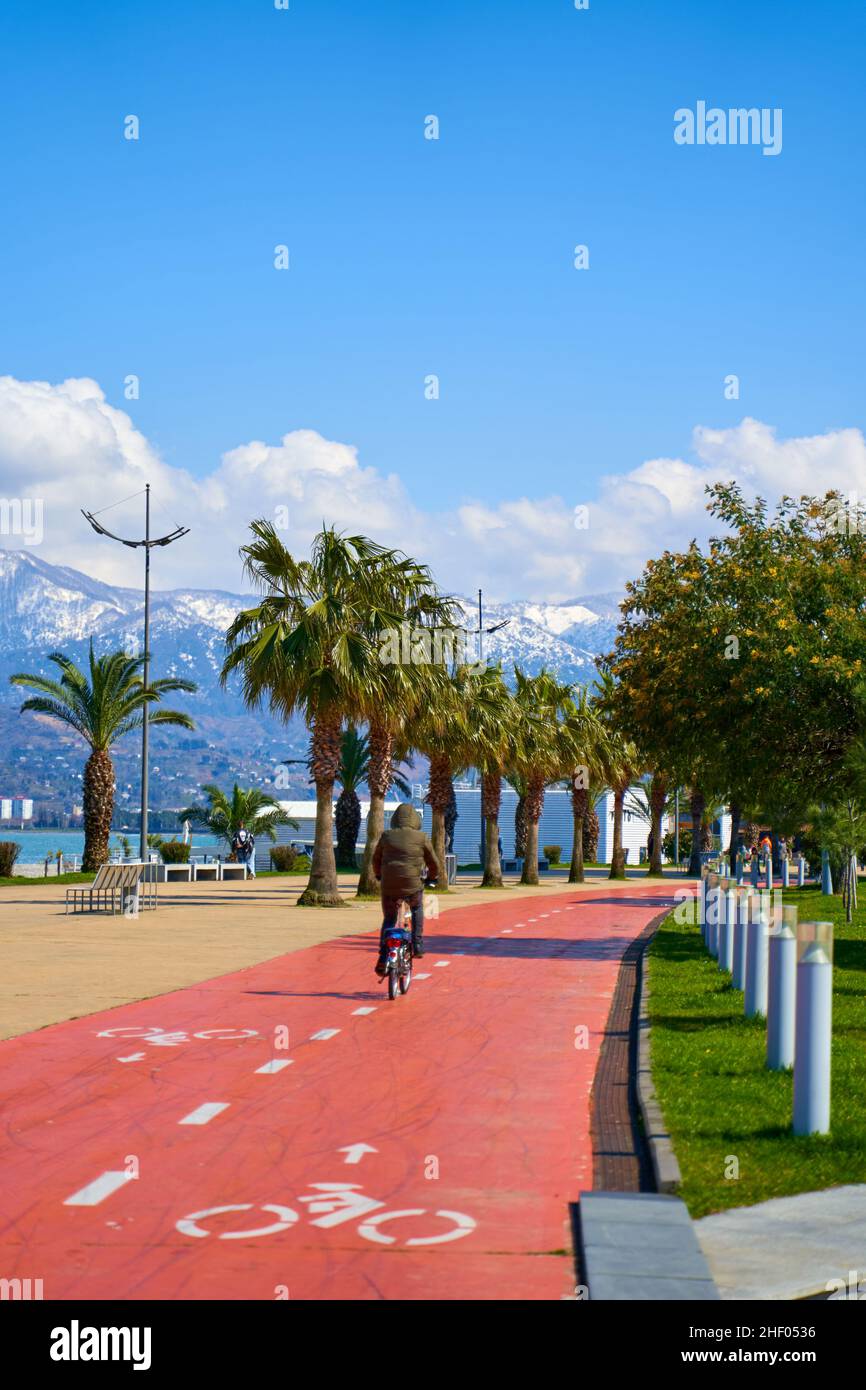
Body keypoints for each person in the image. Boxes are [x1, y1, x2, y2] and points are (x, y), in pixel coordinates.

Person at [372, 803, 439, 975]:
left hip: (389, 885)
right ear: (416, 821)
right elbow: (433, 862)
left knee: (389, 919)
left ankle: (382, 957)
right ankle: (417, 944)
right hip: (412, 885)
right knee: (416, 907)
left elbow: (376, 859)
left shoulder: (386, 836)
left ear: (395, 820)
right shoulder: (421, 837)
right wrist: (433, 878)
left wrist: (379, 875)